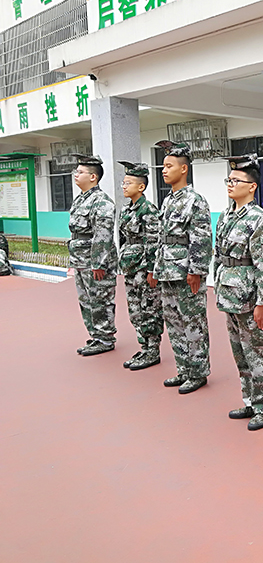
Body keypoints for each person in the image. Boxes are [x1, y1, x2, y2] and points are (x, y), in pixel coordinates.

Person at [215, 154, 263, 431]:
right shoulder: (226, 215)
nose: (230, 184)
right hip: (230, 294)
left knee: (260, 351)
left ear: (251, 186)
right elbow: (219, 256)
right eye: (228, 179)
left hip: (251, 297)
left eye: (236, 180)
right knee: (241, 352)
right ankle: (251, 399)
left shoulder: (259, 219)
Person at [150, 141, 213, 395]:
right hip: (167, 270)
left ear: (184, 169)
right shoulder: (167, 201)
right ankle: (184, 368)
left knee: (193, 322)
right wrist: (156, 268)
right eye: (163, 166)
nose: (164, 170)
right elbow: (161, 238)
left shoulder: (195, 200)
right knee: (174, 321)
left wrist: (196, 270)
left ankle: (198, 372)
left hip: (186, 272)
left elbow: (202, 237)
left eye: (169, 166)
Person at [69, 154, 118, 356]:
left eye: (80, 172)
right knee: (86, 300)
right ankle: (96, 335)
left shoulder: (101, 202)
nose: (75, 174)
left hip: (95, 261)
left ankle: (105, 338)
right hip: (81, 260)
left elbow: (103, 235)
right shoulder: (81, 199)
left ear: (93, 177)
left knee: (100, 299)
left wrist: (99, 263)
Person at [118, 160, 164, 371]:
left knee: (149, 310)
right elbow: (123, 239)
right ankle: (144, 347)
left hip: (144, 270)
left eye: (128, 183)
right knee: (135, 311)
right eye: (123, 182)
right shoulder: (127, 210)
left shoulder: (148, 211)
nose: (124, 186)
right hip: (130, 268)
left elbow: (154, 241)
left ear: (141, 186)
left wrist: (151, 270)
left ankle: (153, 350)